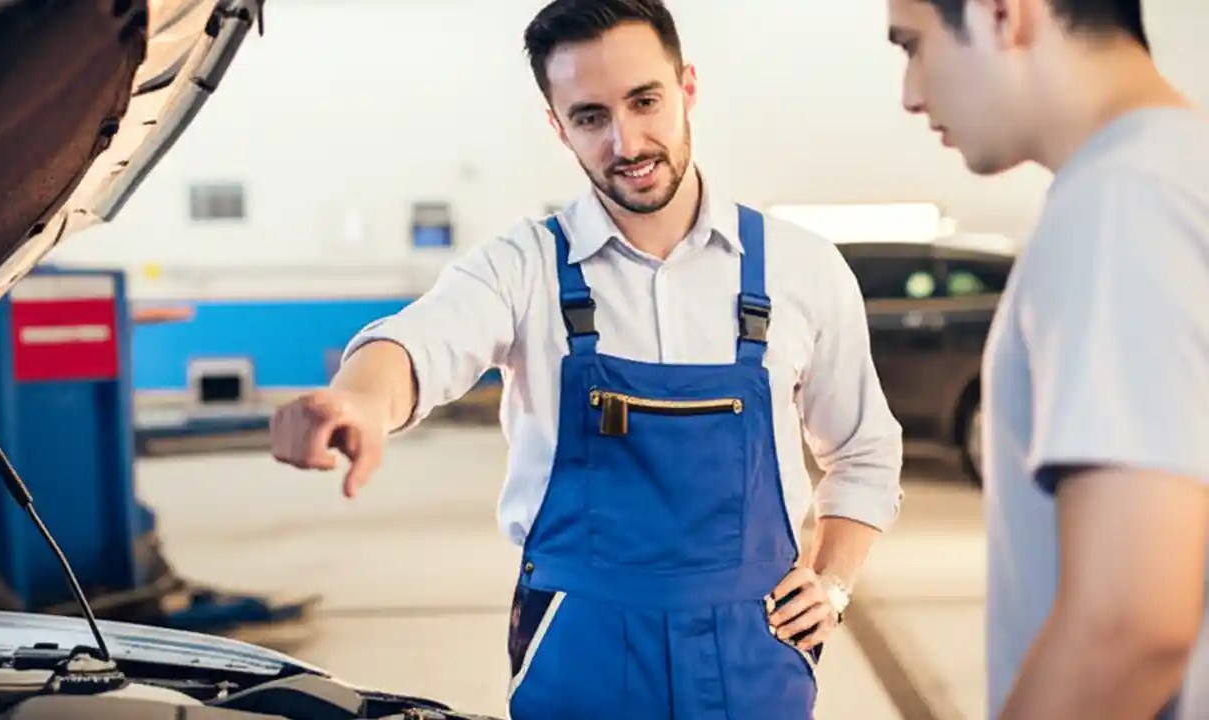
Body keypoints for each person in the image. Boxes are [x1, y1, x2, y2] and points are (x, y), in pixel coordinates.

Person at [272, 0, 903, 716]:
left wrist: (833, 581)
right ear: (558, 125)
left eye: (645, 101)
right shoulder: (523, 267)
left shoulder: (802, 268)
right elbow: (419, 340)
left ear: (686, 87)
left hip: (753, 650)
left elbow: (864, 450)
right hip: (581, 646)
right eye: (591, 117)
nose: (626, 142)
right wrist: (358, 399)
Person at [885, 1, 1209, 718]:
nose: (909, 92)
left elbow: (1128, 624)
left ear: (1003, 14)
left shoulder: (1122, 201)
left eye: (913, 45)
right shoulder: (1180, 170)